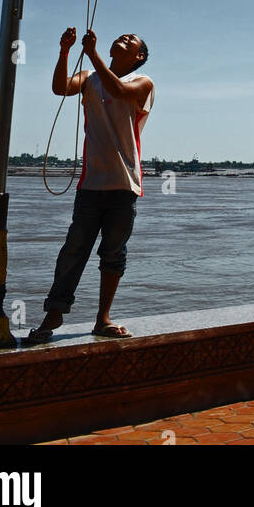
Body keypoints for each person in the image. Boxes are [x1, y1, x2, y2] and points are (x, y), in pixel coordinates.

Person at [24, 26, 154, 344]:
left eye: (129, 42)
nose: (121, 40)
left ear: (138, 57)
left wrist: (94, 54)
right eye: (121, 37)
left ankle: (102, 318)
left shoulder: (142, 83)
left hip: (124, 183)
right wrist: (65, 52)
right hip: (91, 183)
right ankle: (54, 313)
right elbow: (61, 88)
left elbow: (120, 92)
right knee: (73, 249)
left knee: (113, 253)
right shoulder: (89, 76)